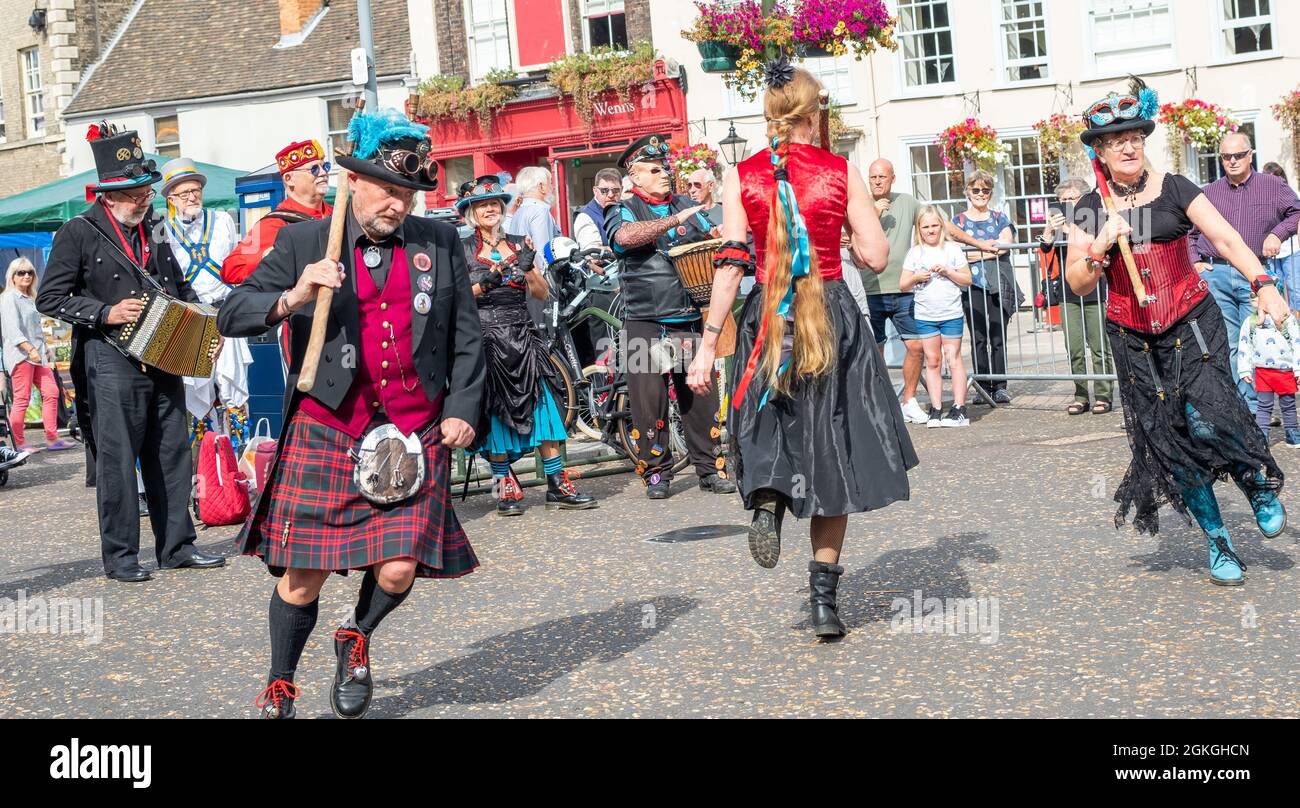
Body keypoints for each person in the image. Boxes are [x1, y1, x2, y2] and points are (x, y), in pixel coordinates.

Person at [219, 109, 485, 720]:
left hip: (415, 427)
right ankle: (281, 680)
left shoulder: (439, 241)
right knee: (304, 576)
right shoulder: (303, 241)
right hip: (330, 420)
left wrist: (463, 408)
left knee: (395, 571)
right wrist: (292, 296)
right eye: (388, 191)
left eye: (408, 194)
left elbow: (467, 338)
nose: (398, 205)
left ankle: (357, 636)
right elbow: (233, 311)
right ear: (353, 182)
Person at [686, 63, 917, 639]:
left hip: (770, 316)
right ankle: (824, 602)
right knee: (832, 445)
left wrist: (707, 344)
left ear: (770, 117)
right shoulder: (841, 171)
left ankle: (767, 498)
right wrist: (841, 235)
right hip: (830, 313)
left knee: (769, 423)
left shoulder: (743, 176)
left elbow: (733, 261)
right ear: (816, 115)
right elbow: (878, 254)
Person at [1065, 78, 1289, 587]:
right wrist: (1100, 243)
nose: (1128, 145)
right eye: (1117, 140)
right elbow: (1077, 282)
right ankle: (1218, 542)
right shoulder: (1088, 208)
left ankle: (1254, 481)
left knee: (1209, 416)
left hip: (1190, 320)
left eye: (1136, 137)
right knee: (1170, 442)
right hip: (1132, 335)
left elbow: (1227, 239)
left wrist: (1263, 285)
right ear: (1099, 151)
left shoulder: (1176, 188)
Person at [37, 122, 225, 583]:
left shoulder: (155, 229)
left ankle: (177, 546)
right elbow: (50, 298)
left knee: (172, 453)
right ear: (110, 195)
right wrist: (104, 312)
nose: (147, 198)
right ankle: (121, 557)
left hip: (164, 353)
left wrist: (204, 331)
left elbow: (178, 288)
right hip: (110, 359)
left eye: (146, 190)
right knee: (119, 463)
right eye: (138, 192)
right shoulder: (77, 232)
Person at [605, 133, 736, 499]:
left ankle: (710, 469)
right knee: (649, 403)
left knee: (700, 398)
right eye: (654, 168)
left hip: (688, 318)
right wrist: (675, 219)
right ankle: (656, 473)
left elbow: (713, 238)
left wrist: (720, 235)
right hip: (645, 321)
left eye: (665, 167)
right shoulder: (623, 208)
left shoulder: (687, 205)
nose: (665, 173)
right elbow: (625, 238)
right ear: (635, 177)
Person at [456, 175, 596, 515]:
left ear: (503, 209)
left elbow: (541, 292)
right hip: (486, 340)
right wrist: (484, 286)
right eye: (482, 205)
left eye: (494, 204)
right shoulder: (461, 249)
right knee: (496, 413)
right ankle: (504, 486)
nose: (489, 209)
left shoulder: (520, 242)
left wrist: (527, 270)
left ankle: (556, 484)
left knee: (544, 409)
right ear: (472, 212)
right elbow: (456, 297)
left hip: (523, 335)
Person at [861, 159, 994, 424]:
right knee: (871, 352)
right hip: (870, 287)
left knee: (916, 347)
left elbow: (942, 225)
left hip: (902, 290)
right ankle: (878, 405)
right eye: (873, 176)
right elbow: (849, 235)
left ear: (892, 178)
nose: (877, 181)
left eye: (882, 176)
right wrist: (873, 213)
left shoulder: (907, 202)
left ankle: (908, 400)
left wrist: (978, 243)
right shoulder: (861, 204)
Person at [1190, 132, 1300, 413]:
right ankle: (1237, 412)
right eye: (1226, 156)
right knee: (1226, 344)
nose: (1232, 161)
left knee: (1255, 343)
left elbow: (1296, 212)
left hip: (1256, 276)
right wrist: (1195, 263)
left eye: (1238, 155)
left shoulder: (1273, 186)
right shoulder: (1209, 192)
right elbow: (1188, 232)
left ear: (1250, 155)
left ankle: (1254, 414)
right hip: (1217, 274)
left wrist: (1278, 233)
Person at [158, 157, 254, 450]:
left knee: (234, 387)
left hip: (226, 312)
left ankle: (239, 461)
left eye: (195, 190)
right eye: (184, 193)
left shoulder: (223, 219)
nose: (191, 197)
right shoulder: (162, 230)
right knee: (195, 390)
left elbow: (238, 263)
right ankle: (204, 466)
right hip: (192, 316)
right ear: (171, 198)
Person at [1038, 177, 1114, 414]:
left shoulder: (1096, 216)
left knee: (1099, 345)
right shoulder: (1059, 221)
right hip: (1067, 290)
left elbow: (1095, 244)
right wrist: (1050, 230)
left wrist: (1069, 228)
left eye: (1070, 199)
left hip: (1093, 286)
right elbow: (1045, 249)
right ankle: (1080, 394)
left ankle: (1103, 394)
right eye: (1062, 201)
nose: (1065, 205)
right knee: (1074, 347)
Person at [221, 139, 333, 285]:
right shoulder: (274, 224)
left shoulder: (336, 213)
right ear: (289, 179)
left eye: (325, 166)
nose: (323, 173)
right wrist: (270, 258)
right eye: (314, 169)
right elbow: (231, 269)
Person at [900, 206, 972, 427]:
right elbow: (903, 284)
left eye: (934, 225)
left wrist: (948, 272)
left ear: (941, 226)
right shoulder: (914, 253)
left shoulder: (952, 249)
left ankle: (959, 408)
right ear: (919, 230)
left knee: (953, 358)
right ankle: (936, 409)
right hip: (925, 314)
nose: (930, 230)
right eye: (926, 227)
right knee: (932, 361)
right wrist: (917, 277)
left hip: (950, 313)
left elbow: (967, 279)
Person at [953, 170, 1021, 404]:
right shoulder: (958, 221)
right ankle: (983, 387)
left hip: (997, 285)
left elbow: (1004, 246)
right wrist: (988, 248)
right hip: (971, 285)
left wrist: (974, 251)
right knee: (978, 338)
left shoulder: (1000, 218)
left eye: (985, 190)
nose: (980, 194)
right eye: (976, 190)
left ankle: (1000, 386)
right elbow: (956, 253)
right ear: (967, 192)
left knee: (997, 337)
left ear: (990, 193)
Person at [2, 258, 76, 453]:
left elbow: (35, 328)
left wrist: (45, 349)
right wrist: (31, 350)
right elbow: (12, 330)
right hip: (21, 355)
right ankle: (18, 443)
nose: (26, 275)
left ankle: (52, 438)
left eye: (30, 272)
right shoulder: (9, 298)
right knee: (22, 398)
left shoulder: (30, 298)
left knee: (52, 391)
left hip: (37, 354)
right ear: (12, 276)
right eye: (21, 272)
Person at [1237, 310, 1300, 447]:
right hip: (1262, 372)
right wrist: (1244, 369)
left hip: (1285, 371)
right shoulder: (1251, 321)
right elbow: (1244, 344)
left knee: (1288, 406)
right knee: (1263, 407)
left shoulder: (1288, 320)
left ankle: (1292, 435)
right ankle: (1262, 439)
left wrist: (1297, 369)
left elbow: (1297, 343)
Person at [1259, 161, 1300, 316]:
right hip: (1271, 253)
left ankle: (1297, 324)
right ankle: (1283, 322)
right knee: (1275, 289)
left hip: (1292, 250)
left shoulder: (1293, 194)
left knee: (1295, 288)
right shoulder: (1261, 198)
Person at [573, 168, 623, 251]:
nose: (610, 195)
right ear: (595, 191)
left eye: (615, 190)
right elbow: (593, 254)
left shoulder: (625, 208)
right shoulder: (585, 216)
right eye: (604, 190)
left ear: (621, 190)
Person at [687, 168, 724, 234]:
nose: (692, 190)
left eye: (697, 185)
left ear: (710, 186)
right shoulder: (686, 214)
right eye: (689, 186)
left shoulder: (726, 212)